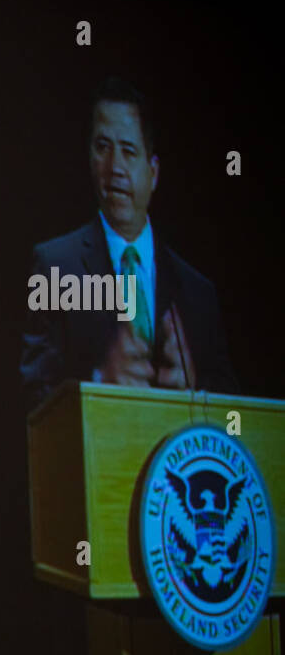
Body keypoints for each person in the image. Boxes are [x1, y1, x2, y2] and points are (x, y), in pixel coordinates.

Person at [20, 77, 238, 411]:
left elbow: (235, 415)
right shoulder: (53, 268)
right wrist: (98, 384)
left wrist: (198, 395)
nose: (115, 167)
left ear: (153, 173)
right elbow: (31, 403)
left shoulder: (197, 293)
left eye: (129, 151)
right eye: (102, 147)